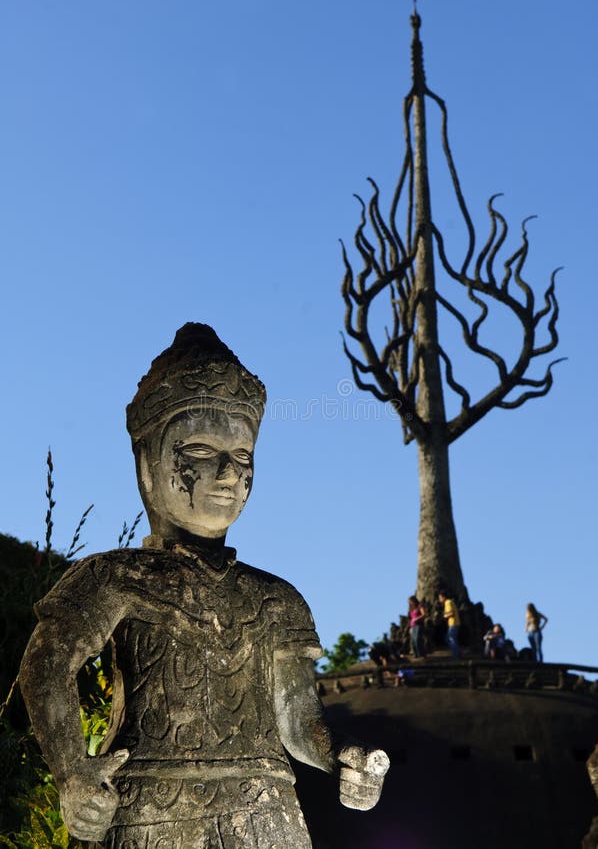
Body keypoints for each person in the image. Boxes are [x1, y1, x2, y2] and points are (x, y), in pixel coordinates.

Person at [19, 324, 389, 849]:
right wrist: (72, 773)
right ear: (146, 463)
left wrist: (344, 756)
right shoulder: (112, 578)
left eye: (242, 457)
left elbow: (297, 721)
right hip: (144, 813)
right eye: (199, 449)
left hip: (266, 817)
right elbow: (47, 665)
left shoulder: (278, 601)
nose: (228, 474)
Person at [438, 590, 460, 658]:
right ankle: (457, 653)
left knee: (451, 639)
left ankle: (456, 655)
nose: (439, 599)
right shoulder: (450, 602)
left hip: (453, 623)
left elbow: (451, 613)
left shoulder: (448, 602)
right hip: (454, 623)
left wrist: (444, 616)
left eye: (440, 598)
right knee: (448, 639)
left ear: (443, 597)